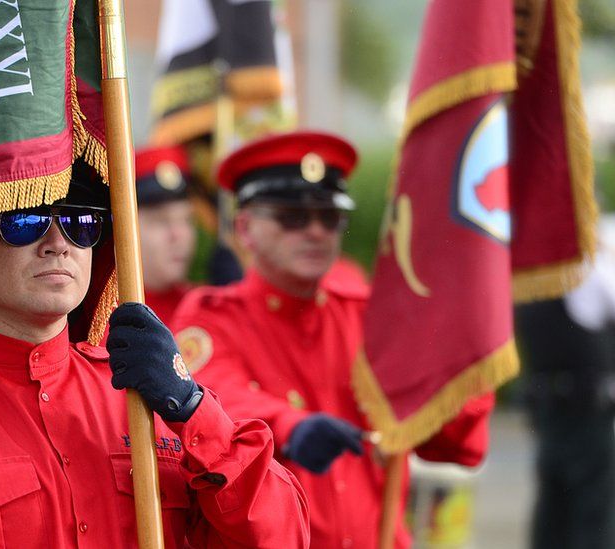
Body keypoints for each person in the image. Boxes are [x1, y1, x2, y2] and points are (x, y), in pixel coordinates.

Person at [0, 161, 310, 547]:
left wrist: (193, 410)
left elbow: (282, 536)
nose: (58, 243)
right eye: (22, 221)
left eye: (80, 222)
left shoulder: (148, 399)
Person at [172, 131, 493, 548]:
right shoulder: (211, 316)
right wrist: (291, 427)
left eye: (330, 217)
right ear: (245, 228)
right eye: (293, 217)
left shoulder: (371, 317)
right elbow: (210, 403)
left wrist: (458, 350)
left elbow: (458, 440)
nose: (316, 232)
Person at [515, 215, 615, 549]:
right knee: (590, 518)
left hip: (548, 410)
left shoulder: (530, 270)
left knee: (554, 513)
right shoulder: (583, 270)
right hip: (586, 413)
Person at [135, 145, 198, 322]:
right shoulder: (97, 319)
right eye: (161, 221)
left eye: (186, 220)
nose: (179, 235)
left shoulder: (203, 311)